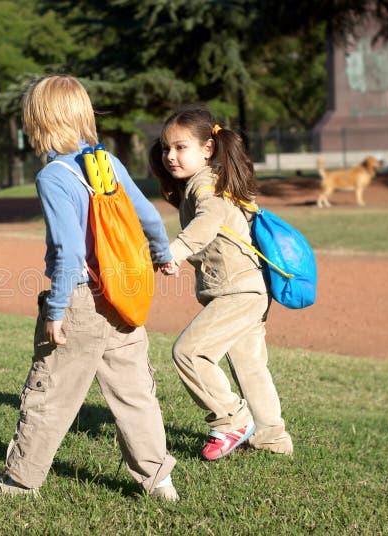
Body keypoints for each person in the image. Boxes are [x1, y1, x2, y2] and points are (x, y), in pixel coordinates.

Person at [0, 74, 179, 500]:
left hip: (81, 300)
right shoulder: (107, 163)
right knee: (135, 393)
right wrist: (162, 254)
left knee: (50, 391)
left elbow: (68, 253)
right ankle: (159, 481)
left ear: (38, 122)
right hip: (122, 295)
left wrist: (55, 311)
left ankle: (21, 481)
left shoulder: (54, 176)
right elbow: (149, 216)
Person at [149, 107, 293, 460]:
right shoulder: (214, 180)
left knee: (190, 352)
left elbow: (208, 221)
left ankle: (232, 420)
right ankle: (272, 438)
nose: (170, 156)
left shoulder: (207, 184)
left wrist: (174, 253)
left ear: (208, 149)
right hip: (249, 288)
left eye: (181, 147)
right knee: (249, 366)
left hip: (238, 292)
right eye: (166, 148)